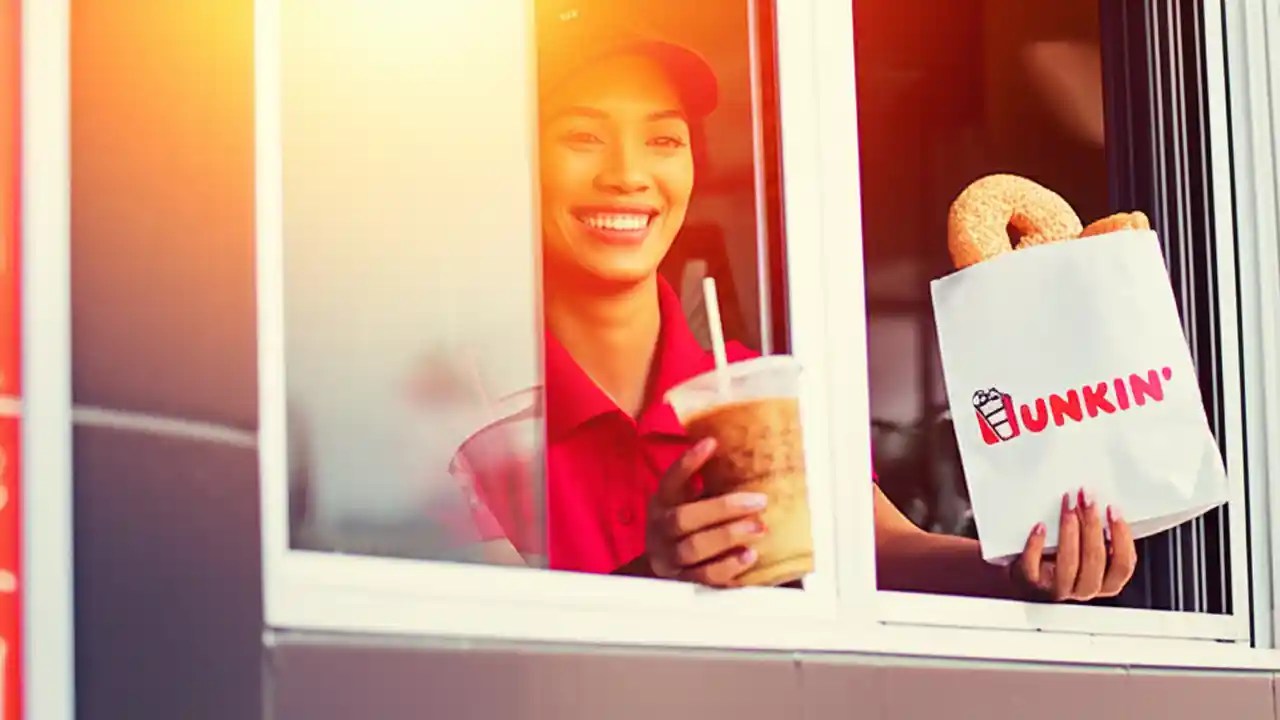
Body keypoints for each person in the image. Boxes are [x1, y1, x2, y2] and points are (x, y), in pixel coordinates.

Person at [448, 3, 1137, 602]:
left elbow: (876, 549)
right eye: (583, 136)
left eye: (663, 139)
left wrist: (1022, 568)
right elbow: (481, 654)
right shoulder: (454, 418)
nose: (628, 174)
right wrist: (652, 577)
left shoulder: (759, 392)